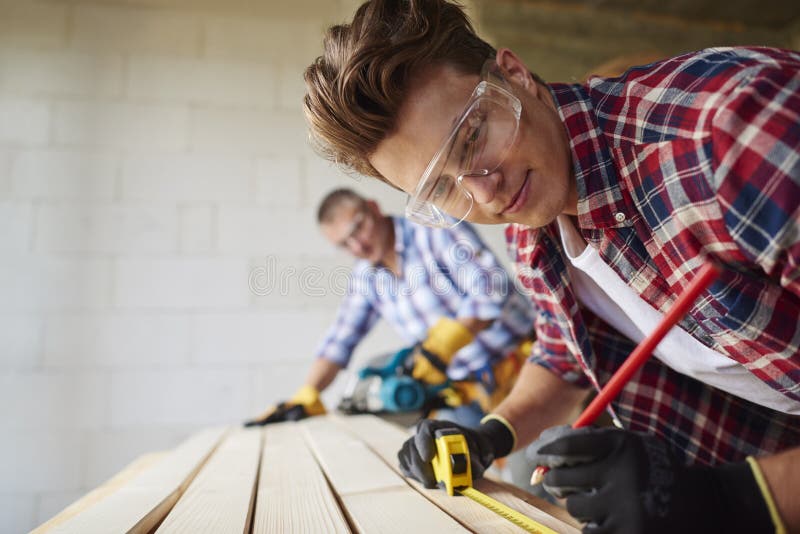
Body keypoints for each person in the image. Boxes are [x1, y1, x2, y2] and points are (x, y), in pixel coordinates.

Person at [302, 1, 800, 532]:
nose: (484, 189)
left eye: (472, 137)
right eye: (441, 187)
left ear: (515, 75)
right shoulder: (532, 228)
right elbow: (562, 356)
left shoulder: (729, 135)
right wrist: (492, 434)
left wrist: (734, 499)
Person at [245, 188, 536, 428]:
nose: (357, 246)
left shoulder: (432, 228)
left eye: (357, 229)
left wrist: (446, 341)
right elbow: (340, 339)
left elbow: (491, 286)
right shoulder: (366, 276)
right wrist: (306, 394)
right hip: (463, 393)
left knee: (535, 480)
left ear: (374, 207)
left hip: (523, 370)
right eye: (345, 244)